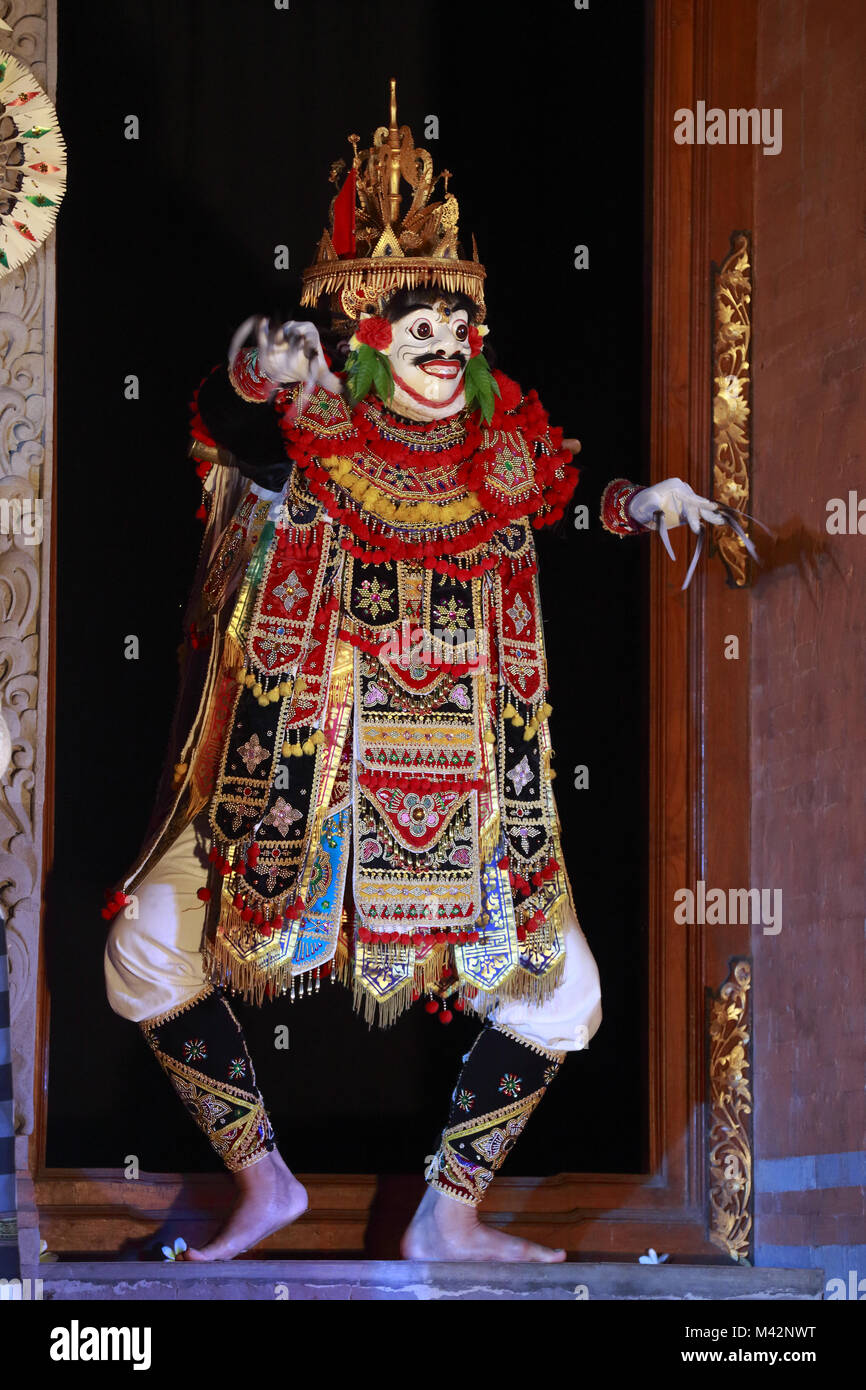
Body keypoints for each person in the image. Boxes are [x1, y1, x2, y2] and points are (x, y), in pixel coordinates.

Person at [104, 82, 749, 1263]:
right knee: (145, 946)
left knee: (565, 999)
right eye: (419, 332)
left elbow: (567, 499)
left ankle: (449, 1215)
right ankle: (266, 1185)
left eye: (460, 332)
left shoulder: (500, 458)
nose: (449, 349)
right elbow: (223, 411)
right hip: (301, 800)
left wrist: (635, 500)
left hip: (468, 805)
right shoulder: (303, 438)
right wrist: (262, 363)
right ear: (358, 338)